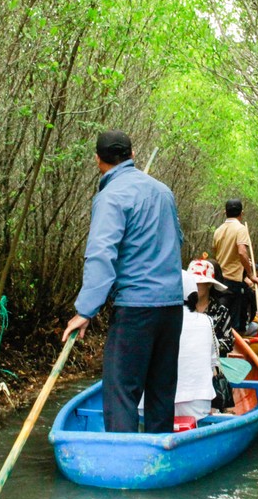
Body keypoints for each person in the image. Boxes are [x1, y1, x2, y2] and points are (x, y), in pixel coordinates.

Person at [62, 130, 184, 433]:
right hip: (171, 306)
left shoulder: (110, 197)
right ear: (132, 154)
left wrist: (86, 311)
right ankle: (158, 456)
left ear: (98, 161)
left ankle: (124, 462)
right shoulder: (163, 192)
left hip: (136, 308)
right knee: (161, 391)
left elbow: (102, 254)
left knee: (120, 393)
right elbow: (177, 240)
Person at [172, 263, 226, 422]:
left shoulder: (150, 320)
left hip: (152, 408)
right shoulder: (207, 322)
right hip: (197, 406)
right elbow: (214, 363)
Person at [212, 199, 258, 336]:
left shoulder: (218, 230)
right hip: (233, 280)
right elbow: (242, 252)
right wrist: (250, 275)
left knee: (221, 315)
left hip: (219, 279)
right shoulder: (241, 229)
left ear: (224, 212)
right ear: (242, 213)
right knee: (234, 320)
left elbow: (216, 254)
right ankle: (235, 347)